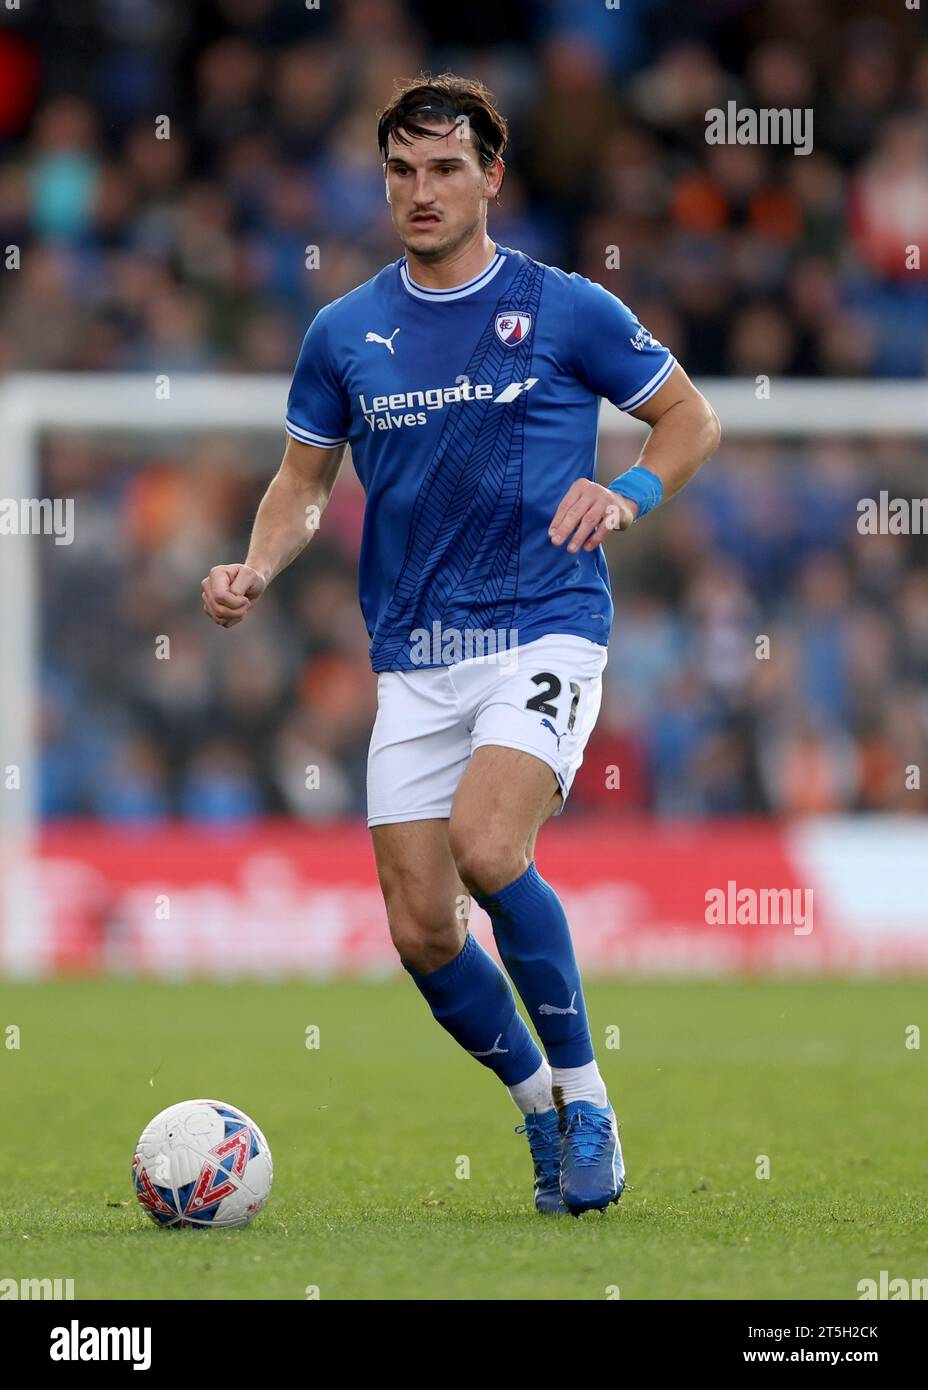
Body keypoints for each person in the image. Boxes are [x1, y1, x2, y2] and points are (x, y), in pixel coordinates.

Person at [202, 73, 720, 1216]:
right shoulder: (344, 333)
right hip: (414, 657)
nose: (420, 191)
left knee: (490, 848)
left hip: (543, 625)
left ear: (491, 174)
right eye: (400, 170)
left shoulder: (566, 305)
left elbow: (690, 417)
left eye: (444, 168)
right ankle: (538, 1110)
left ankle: (590, 1103)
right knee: (421, 927)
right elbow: (300, 482)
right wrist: (258, 565)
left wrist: (629, 489)